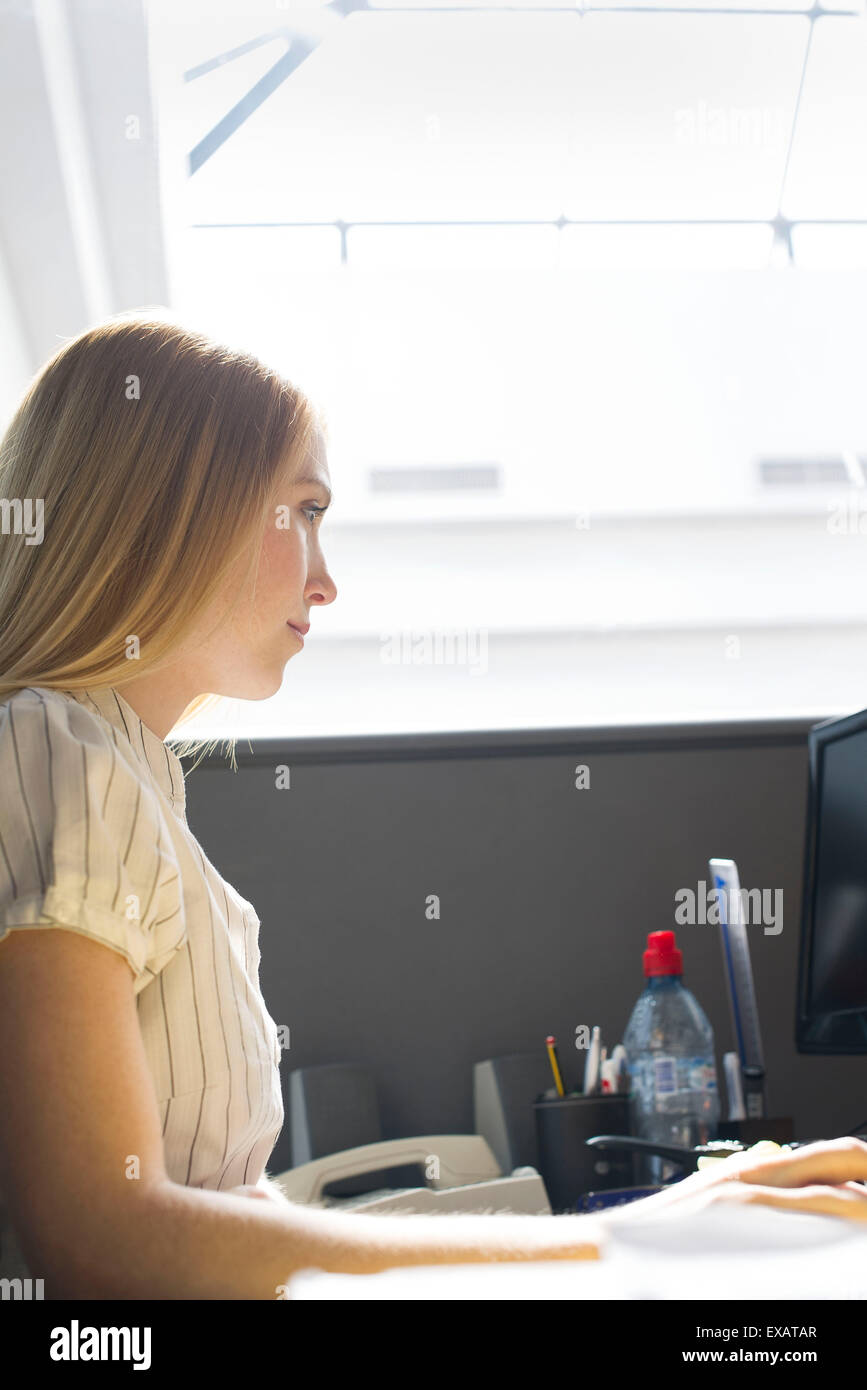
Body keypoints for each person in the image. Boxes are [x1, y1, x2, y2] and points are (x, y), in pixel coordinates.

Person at [1, 312, 866, 1301]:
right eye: (305, 509)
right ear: (178, 511)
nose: (326, 583)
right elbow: (100, 1237)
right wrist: (640, 1243)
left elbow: (240, 1221)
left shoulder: (129, 779)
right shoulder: (52, 752)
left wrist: (641, 1229)